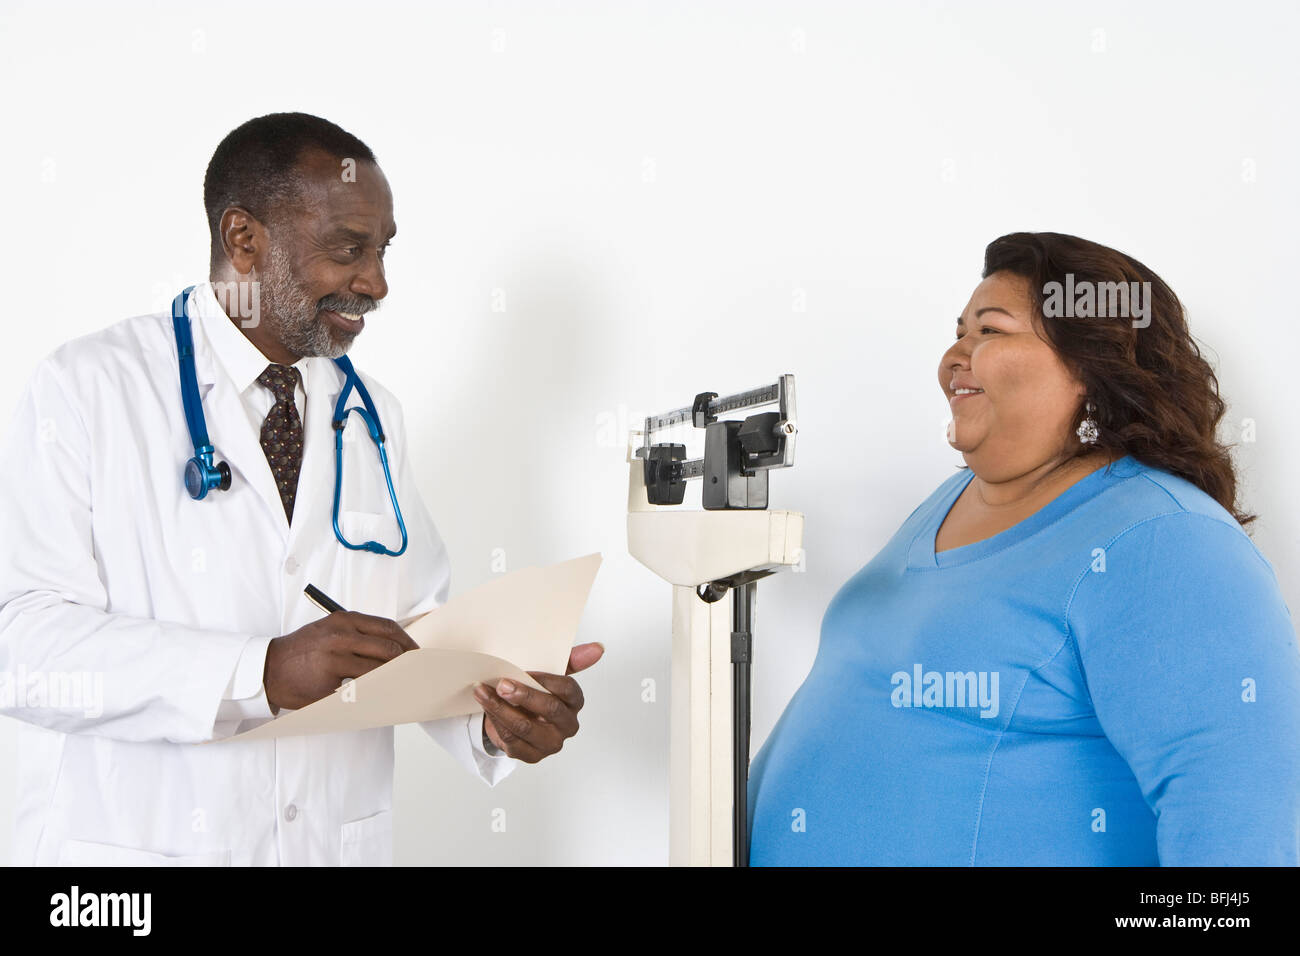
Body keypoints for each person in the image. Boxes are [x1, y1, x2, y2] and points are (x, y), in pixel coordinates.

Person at [0, 112, 602, 866]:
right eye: (348, 249)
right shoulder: (88, 388)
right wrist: (261, 670)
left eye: (382, 251)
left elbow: (409, 636)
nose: (376, 283)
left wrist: (494, 710)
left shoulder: (372, 413)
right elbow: (22, 646)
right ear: (243, 239)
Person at [748, 232, 1300, 865]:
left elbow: (1240, 819)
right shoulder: (949, 501)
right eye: (958, 331)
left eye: (990, 330)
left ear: (1090, 366)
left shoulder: (1166, 539)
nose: (953, 357)